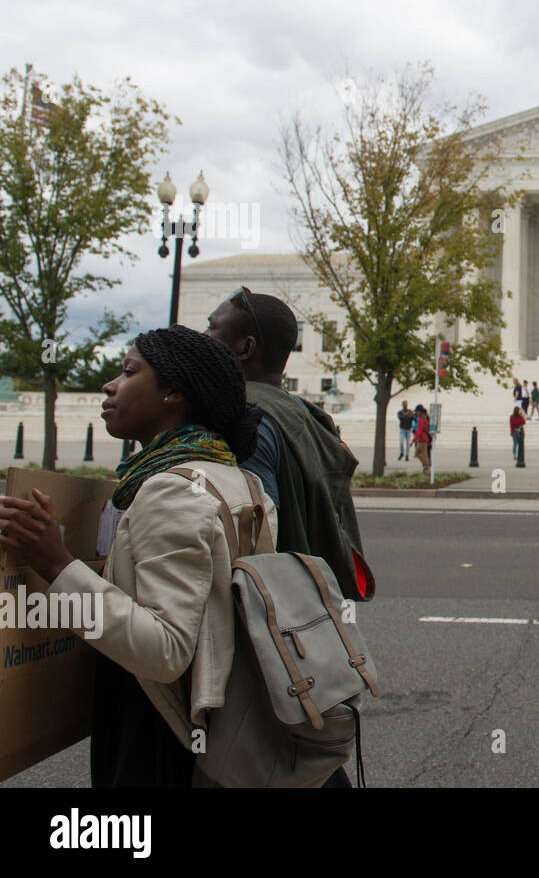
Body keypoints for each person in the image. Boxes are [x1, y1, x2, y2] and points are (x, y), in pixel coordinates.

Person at [0, 325, 273, 788]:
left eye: (129, 372)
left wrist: (55, 564)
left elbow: (165, 650)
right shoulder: (236, 478)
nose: (110, 385)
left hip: (159, 735)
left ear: (173, 392)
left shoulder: (172, 490)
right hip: (216, 723)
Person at [205, 288, 372, 788]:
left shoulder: (246, 422)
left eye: (212, 329)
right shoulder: (305, 416)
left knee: (268, 760)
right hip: (310, 627)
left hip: (270, 637)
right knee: (307, 759)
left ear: (244, 347)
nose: (203, 337)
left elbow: (253, 545)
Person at [412, 405, 431, 472]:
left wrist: (413, 440)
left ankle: (427, 468)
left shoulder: (421, 419)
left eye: (417, 411)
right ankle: (426, 466)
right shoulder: (423, 418)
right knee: (417, 453)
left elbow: (419, 431)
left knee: (424, 455)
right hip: (422, 439)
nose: (416, 413)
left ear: (420, 411)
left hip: (422, 440)